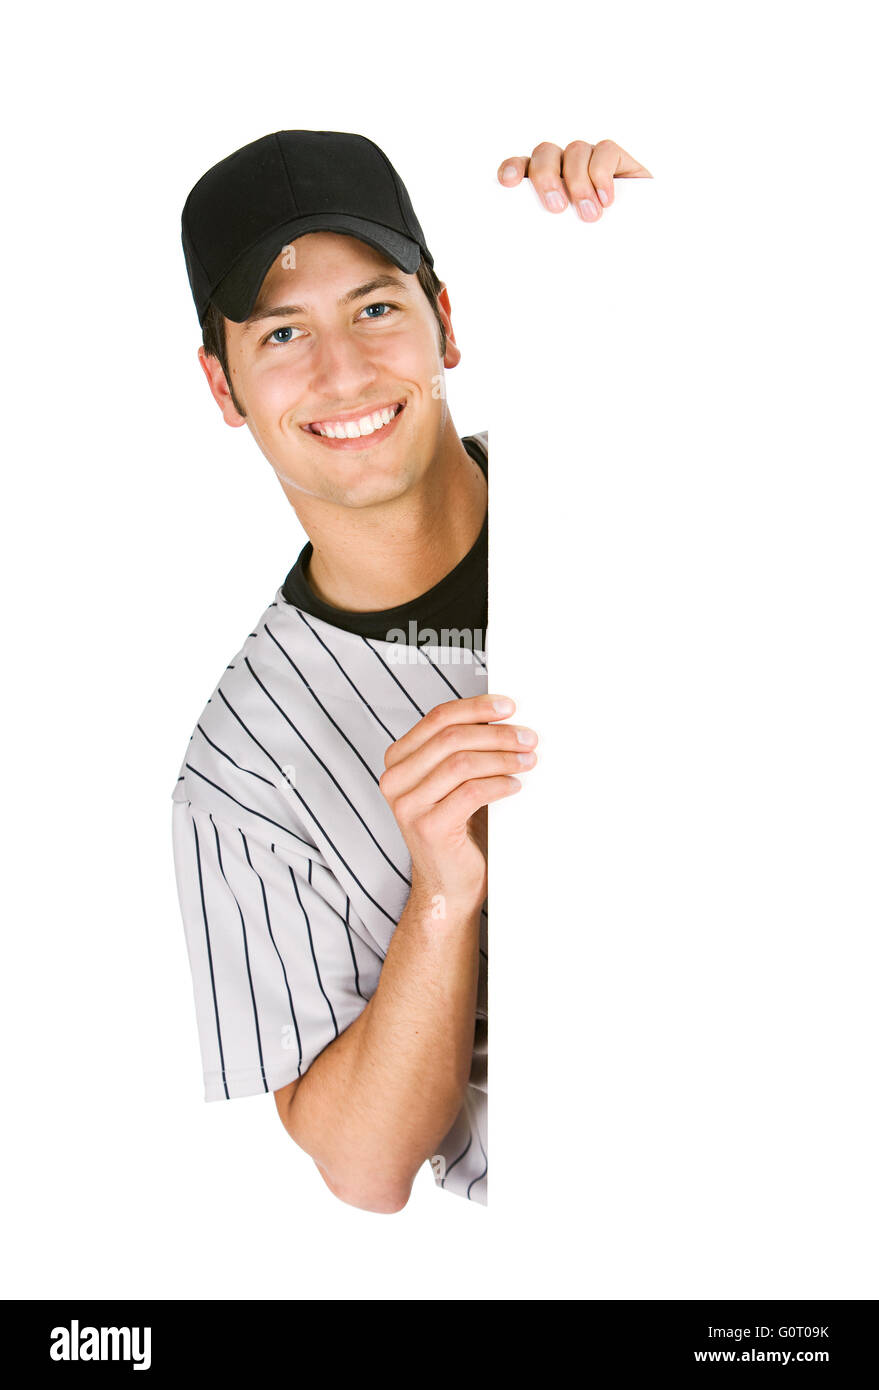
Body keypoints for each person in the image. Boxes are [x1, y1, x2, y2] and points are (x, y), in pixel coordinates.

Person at [171, 130, 652, 1213]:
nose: (343, 372)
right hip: (605, 1238)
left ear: (447, 319)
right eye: (283, 331)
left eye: (377, 308)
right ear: (224, 384)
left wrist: (648, 231)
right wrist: (442, 895)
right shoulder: (242, 773)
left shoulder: (633, 471)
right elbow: (363, 1165)